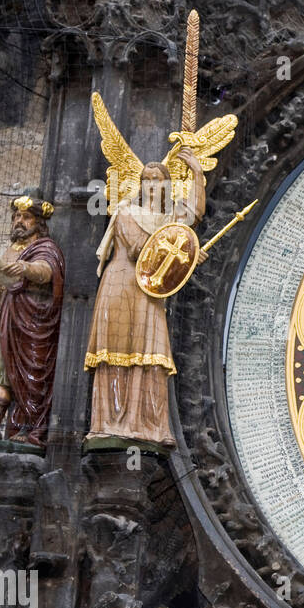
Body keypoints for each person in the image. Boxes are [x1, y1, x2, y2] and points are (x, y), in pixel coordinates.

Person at [85, 150, 205, 447]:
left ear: (167, 186)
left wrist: (198, 176)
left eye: (159, 180)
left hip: (150, 291)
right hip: (123, 284)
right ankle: (111, 424)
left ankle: (151, 426)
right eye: (147, 180)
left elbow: (193, 214)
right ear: (141, 185)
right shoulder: (126, 213)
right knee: (119, 350)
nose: (153, 185)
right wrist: (186, 254)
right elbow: (142, 249)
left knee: (152, 352)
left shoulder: (169, 218)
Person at [0, 193, 65, 446]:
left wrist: (27, 268)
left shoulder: (46, 247)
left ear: (38, 223)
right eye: (16, 216)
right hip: (8, 320)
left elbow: (48, 271)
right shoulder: (11, 252)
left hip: (35, 323)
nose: (19, 221)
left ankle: (30, 429)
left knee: (31, 376)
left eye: (26, 217)